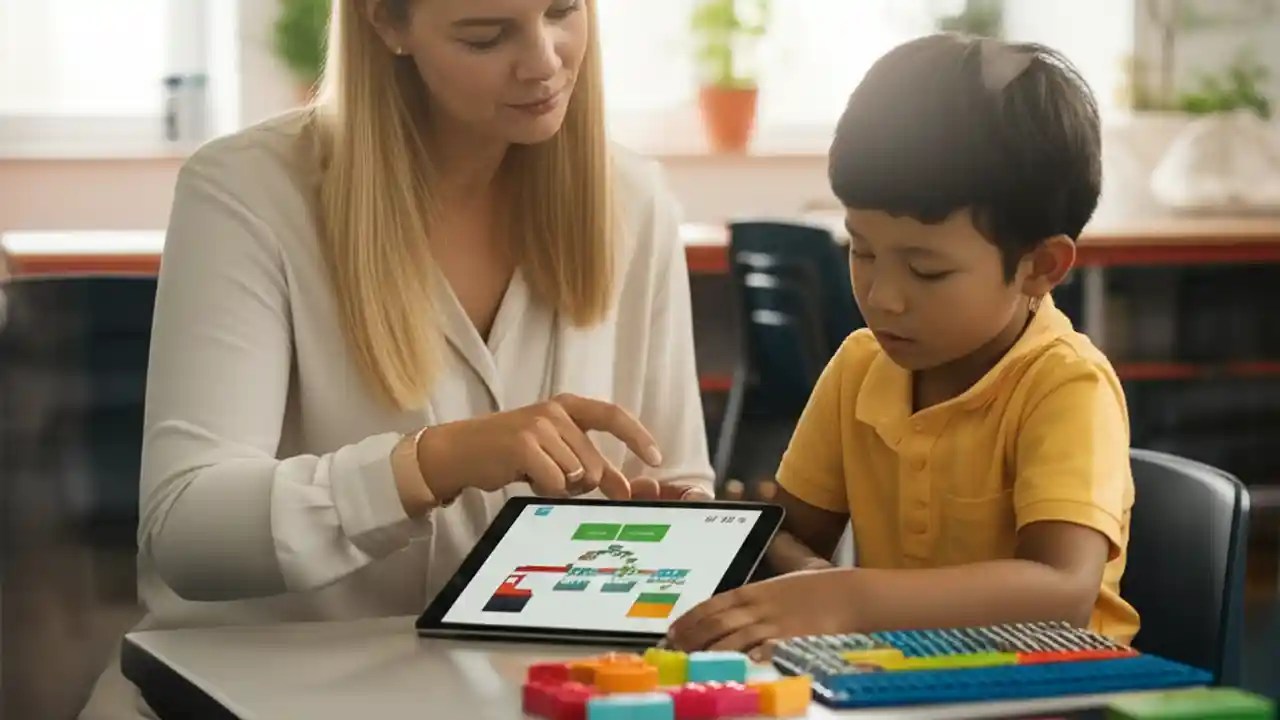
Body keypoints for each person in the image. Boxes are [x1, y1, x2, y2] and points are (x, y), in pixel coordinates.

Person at [81, 0, 712, 716]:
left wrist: (672, 535)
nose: (543, 60)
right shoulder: (246, 192)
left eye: (563, 10)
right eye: (486, 35)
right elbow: (188, 535)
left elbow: (673, 476)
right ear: (386, 23)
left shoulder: (635, 199)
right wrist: (431, 464)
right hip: (236, 699)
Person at [667, 33, 1137, 658]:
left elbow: (1062, 592)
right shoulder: (863, 365)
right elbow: (788, 534)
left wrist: (846, 598)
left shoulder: (1065, 384)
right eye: (860, 250)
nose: (882, 296)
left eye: (927, 271)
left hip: (1058, 692)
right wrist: (726, 529)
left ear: (1039, 266)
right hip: (898, 680)